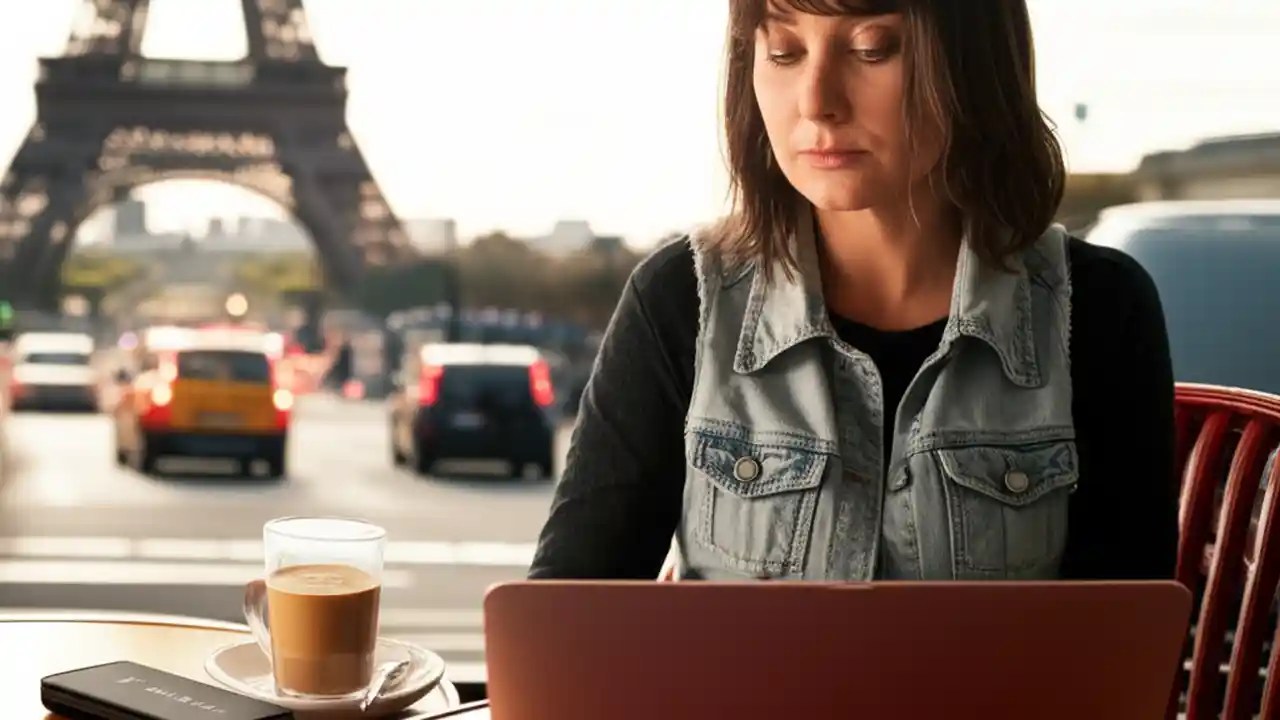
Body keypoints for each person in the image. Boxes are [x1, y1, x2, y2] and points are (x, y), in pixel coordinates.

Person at [529, 0, 1178, 581]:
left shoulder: (1097, 308)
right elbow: (566, 623)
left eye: (872, 48)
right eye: (784, 51)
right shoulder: (679, 298)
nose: (815, 101)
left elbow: (1122, 653)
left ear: (973, 61)